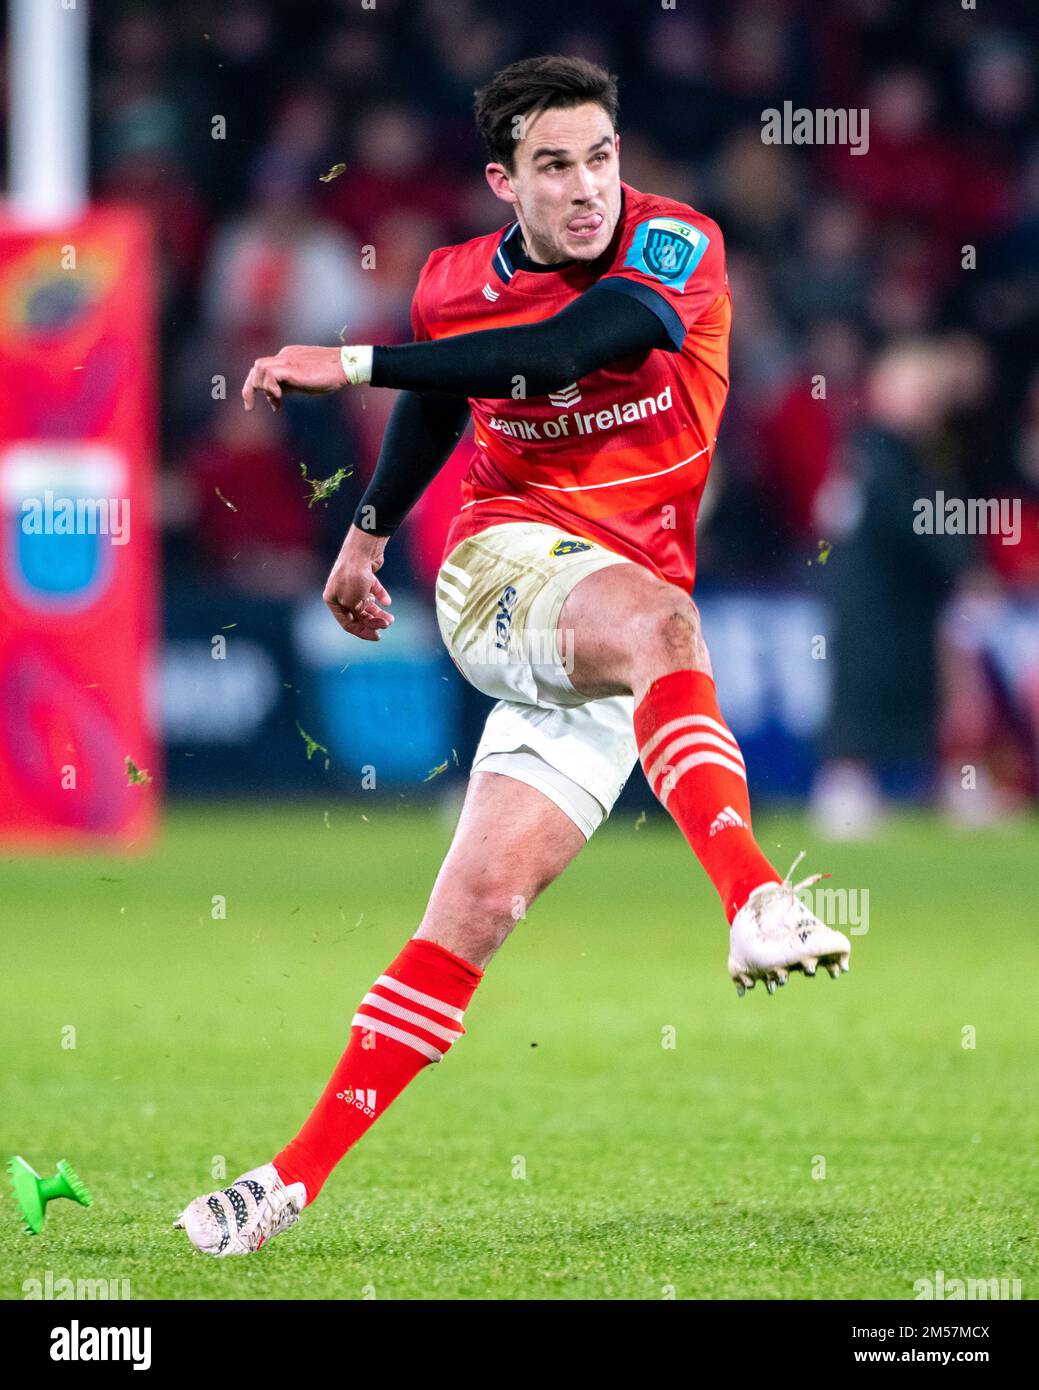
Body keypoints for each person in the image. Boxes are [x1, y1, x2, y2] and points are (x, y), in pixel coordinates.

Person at [176, 55, 850, 1257]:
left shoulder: (675, 248)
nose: (588, 187)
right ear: (504, 181)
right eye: (554, 167)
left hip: (607, 610)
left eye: (600, 156)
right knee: (668, 632)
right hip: (502, 568)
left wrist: (360, 364)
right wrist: (369, 532)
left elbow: (562, 352)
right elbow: (449, 404)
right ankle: (753, 896)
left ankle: (282, 1181)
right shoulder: (448, 284)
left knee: (477, 906)